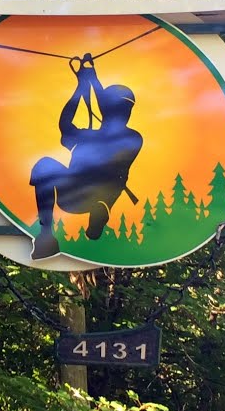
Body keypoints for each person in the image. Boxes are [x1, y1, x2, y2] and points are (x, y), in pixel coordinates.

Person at [29, 55, 142, 259]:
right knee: (46, 166)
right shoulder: (131, 139)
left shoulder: (118, 138)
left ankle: (50, 232)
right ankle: (91, 217)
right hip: (83, 196)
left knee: (45, 165)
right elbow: (97, 114)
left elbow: (66, 123)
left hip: (83, 195)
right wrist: (86, 83)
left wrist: (86, 84)